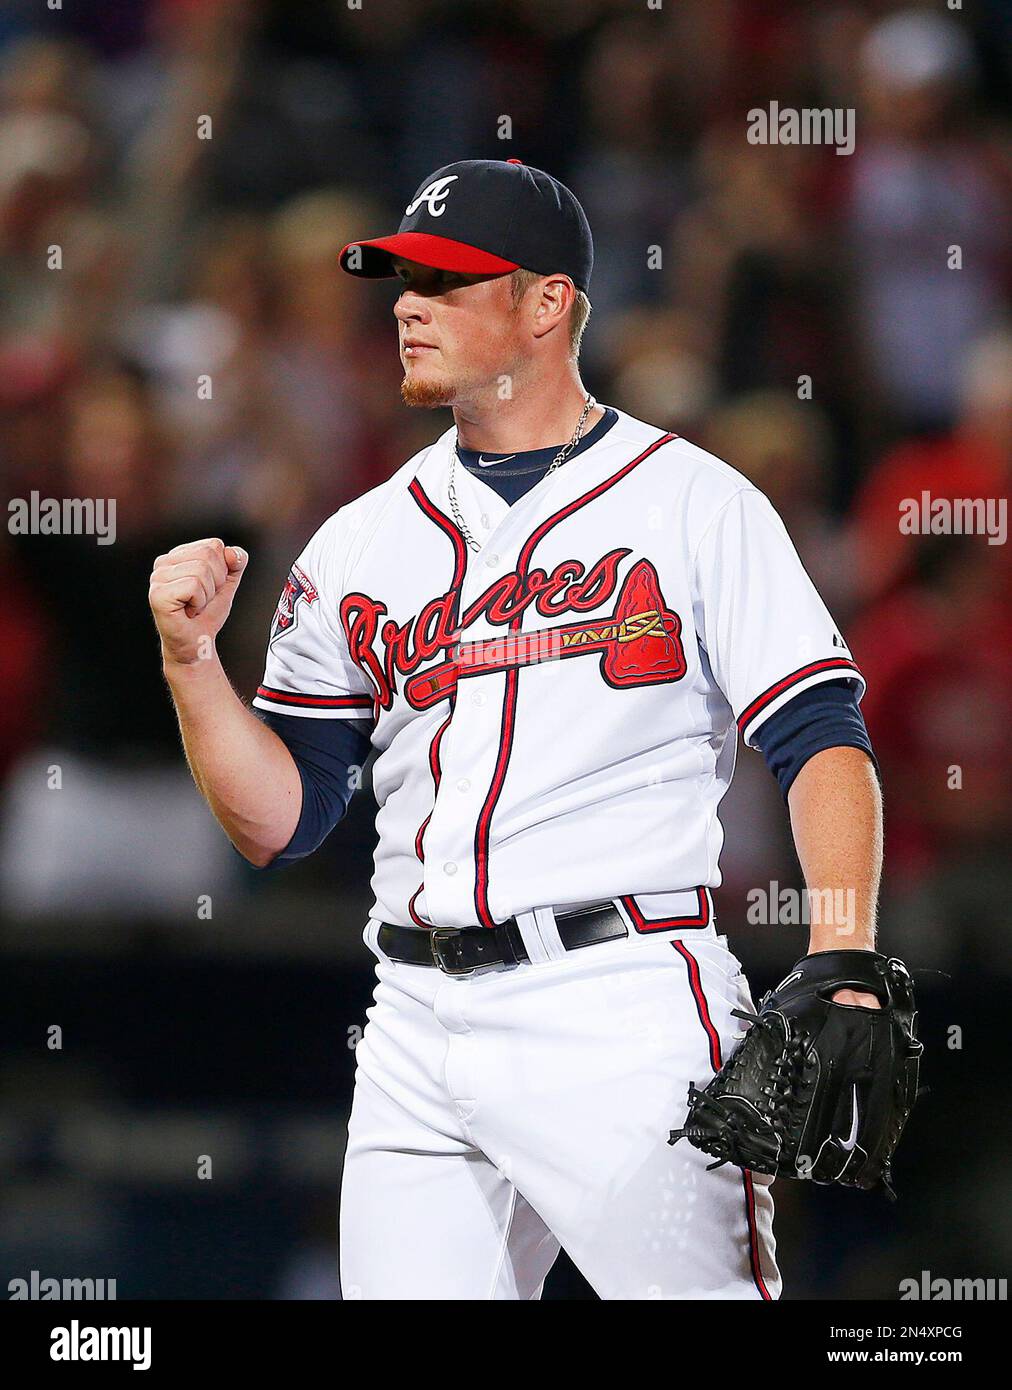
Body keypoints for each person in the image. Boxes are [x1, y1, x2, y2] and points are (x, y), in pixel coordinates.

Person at [149, 159, 882, 1300]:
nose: (405, 302)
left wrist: (842, 954)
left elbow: (818, 732)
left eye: (445, 282)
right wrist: (193, 664)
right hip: (411, 1014)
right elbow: (282, 821)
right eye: (401, 280)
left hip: (621, 998)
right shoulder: (359, 537)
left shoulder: (692, 501)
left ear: (546, 304)